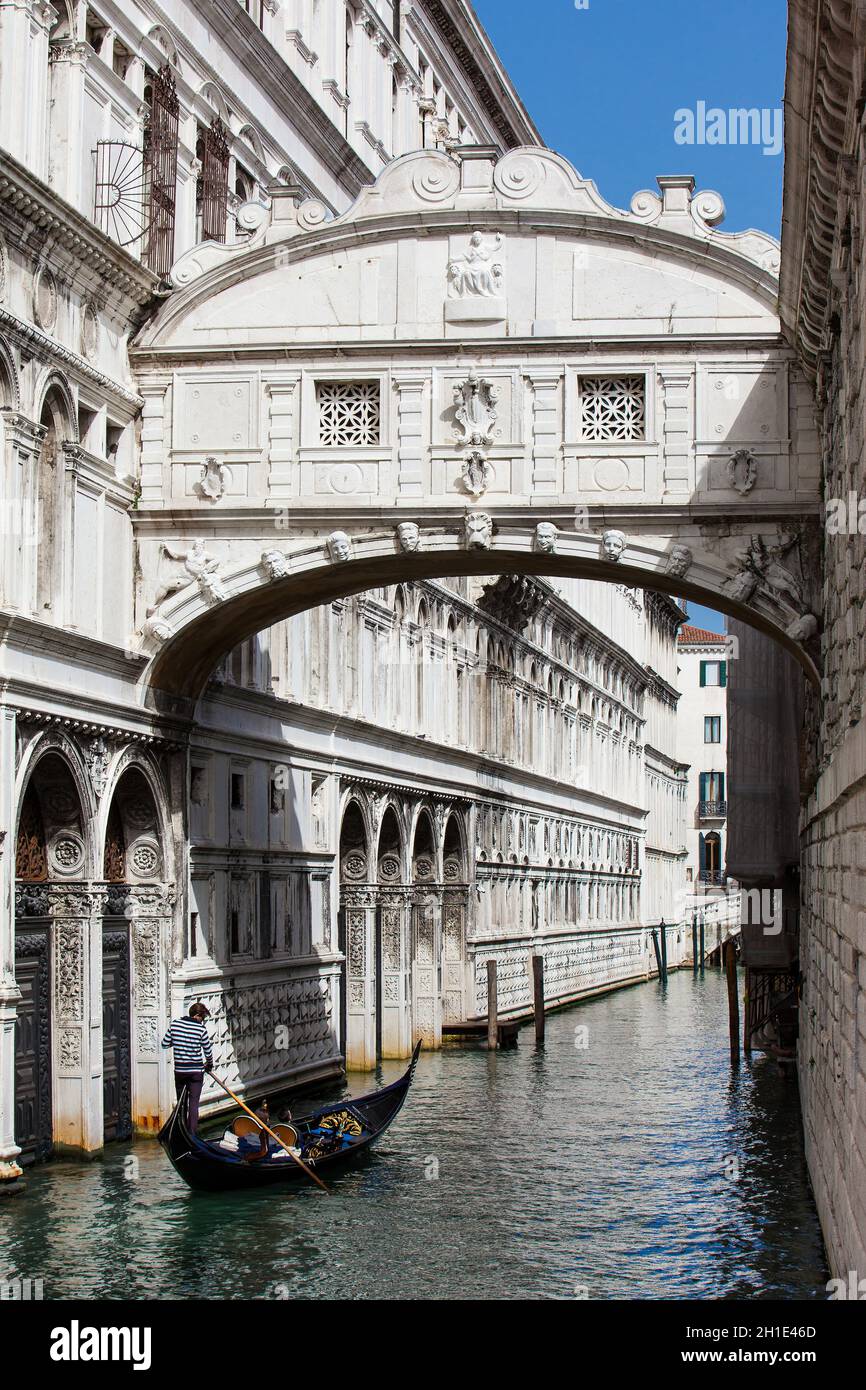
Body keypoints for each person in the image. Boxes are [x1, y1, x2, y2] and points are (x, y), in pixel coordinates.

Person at [161, 1002, 213, 1134]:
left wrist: (178, 1040)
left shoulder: (175, 1025)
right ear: (197, 1016)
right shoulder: (201, 1030)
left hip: (180, 1071)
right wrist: (209, 1065)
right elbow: (208, 1052)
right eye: (203, 1018)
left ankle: (181, 1131)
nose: (203, 1021)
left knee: (181, 1103)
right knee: (193, 1104)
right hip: (196, 1072)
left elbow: (164, 1044)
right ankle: (192, 1135)